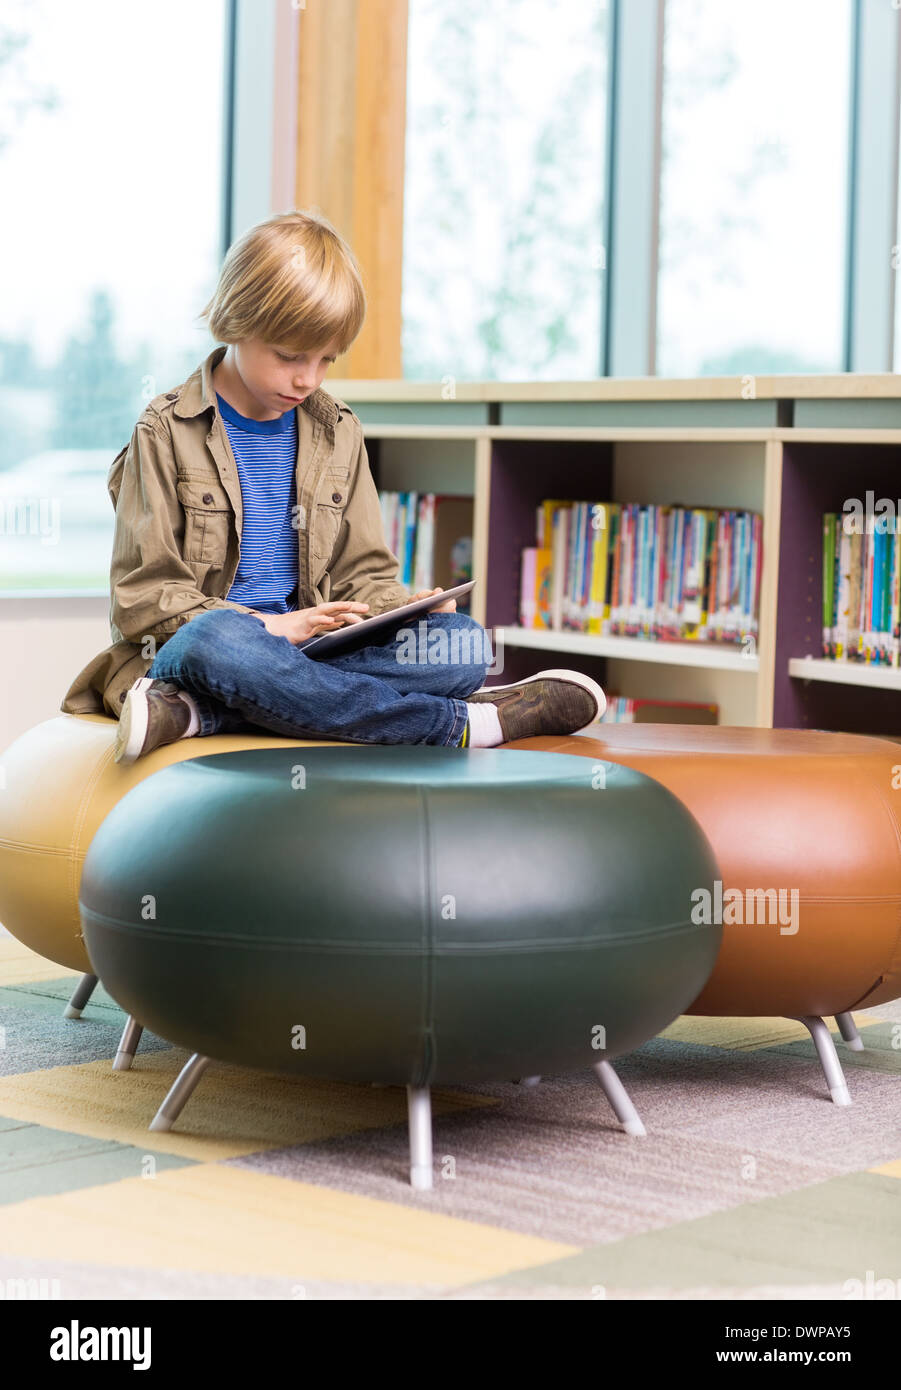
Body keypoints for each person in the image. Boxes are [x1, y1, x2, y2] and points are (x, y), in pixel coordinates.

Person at [60, 209, 605, 762]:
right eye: (290, 357)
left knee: (461, 647)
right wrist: (270, 626)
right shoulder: (164, 429)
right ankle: (460, 725)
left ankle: (200, 714)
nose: (309, 379)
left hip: (316, 656)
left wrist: (406, 606)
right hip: (203, 651)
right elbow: (142, 599)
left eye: (326, 359)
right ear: (235, 322)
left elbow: (364, 575)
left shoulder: (337, 430)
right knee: (220, 641)